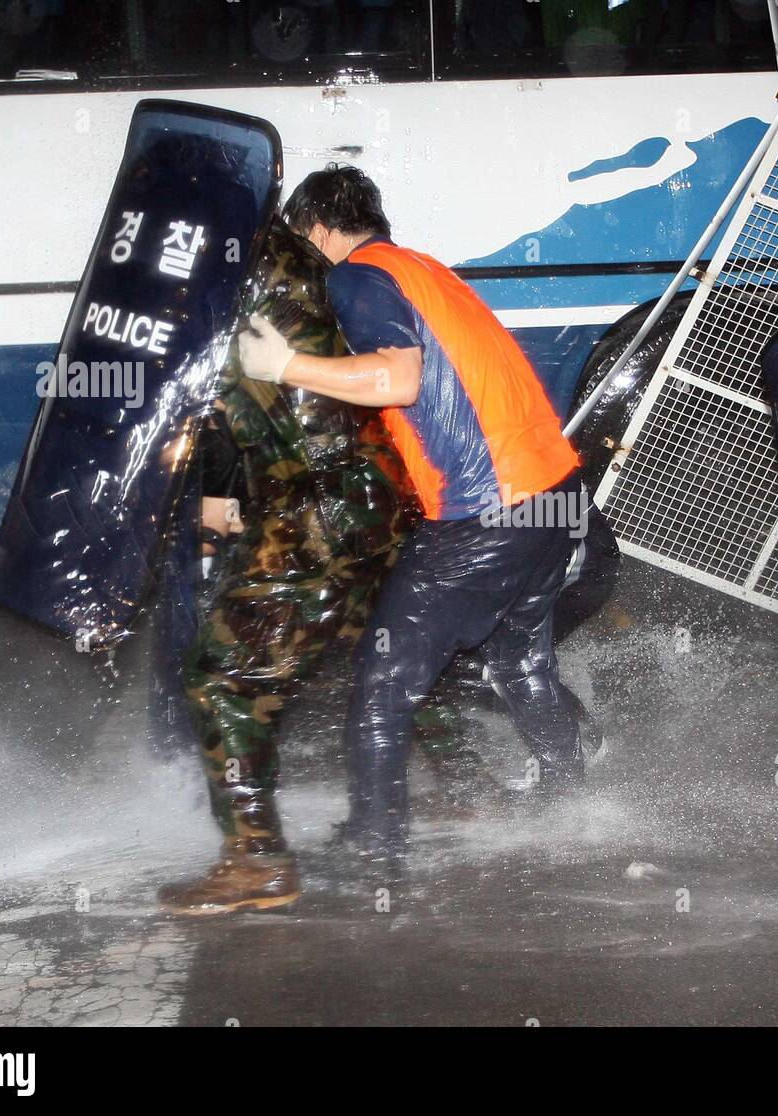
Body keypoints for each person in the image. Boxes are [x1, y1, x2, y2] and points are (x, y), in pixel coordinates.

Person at [238, 166, 589, 870]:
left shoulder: (359, 276)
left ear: (320, 229)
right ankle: (569, 792)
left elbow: (400, 378)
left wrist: (285, 366)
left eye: (300, 241)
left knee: (382, 681)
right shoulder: (423, 269)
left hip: (488, 512)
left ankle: (373, 845)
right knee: (520, 660)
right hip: (557, 495)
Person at [158, 220, 468, 916]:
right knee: (380, 651)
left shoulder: (227, 260)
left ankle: (256, 859)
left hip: (315, 510)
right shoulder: (287, 260)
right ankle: (469, 787)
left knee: (223, 678)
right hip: (375, 499)